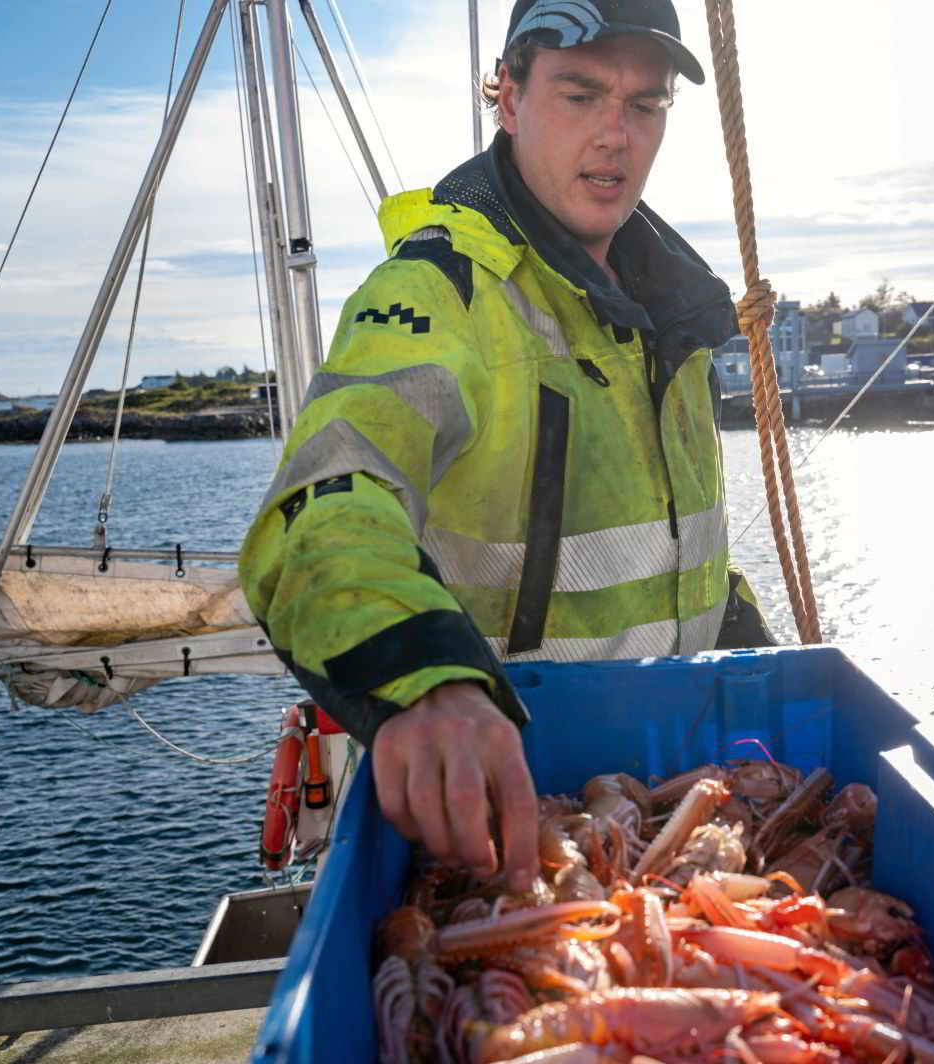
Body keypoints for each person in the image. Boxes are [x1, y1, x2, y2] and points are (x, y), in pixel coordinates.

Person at [239, 0, 771, 893]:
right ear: (510, 99)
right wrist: (424, 680)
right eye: (580, 93)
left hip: (670, 811)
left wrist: (756, 651)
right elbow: (327, 499)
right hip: (500, 822)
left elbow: (675, 550)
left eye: (645, 106)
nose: (616, 136)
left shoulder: (671, 318)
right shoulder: (435, 294)